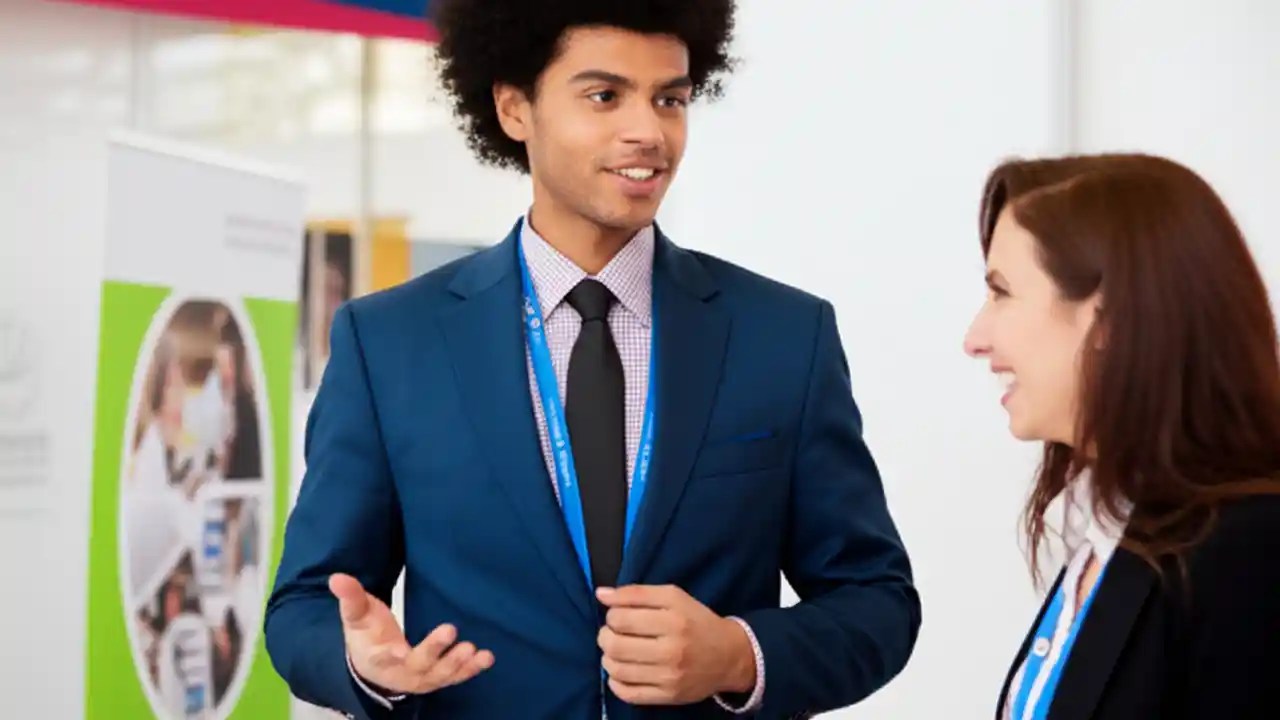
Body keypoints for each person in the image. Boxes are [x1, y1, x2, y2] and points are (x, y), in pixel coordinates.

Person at [265, 1, 920, 718]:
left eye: (669, 99)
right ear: (515, 108)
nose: (648, 131)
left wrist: (738, 654)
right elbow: (303, 606)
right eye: (604, 96)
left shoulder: (783, 336)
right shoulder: (388, 342)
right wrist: (363, 662)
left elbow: (876, 602)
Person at [962, 153, 1280, 719]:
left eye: (1001, 292)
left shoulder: (1248, 553)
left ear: (1108, 320)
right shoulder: (1104, 534)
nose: (975, 338)